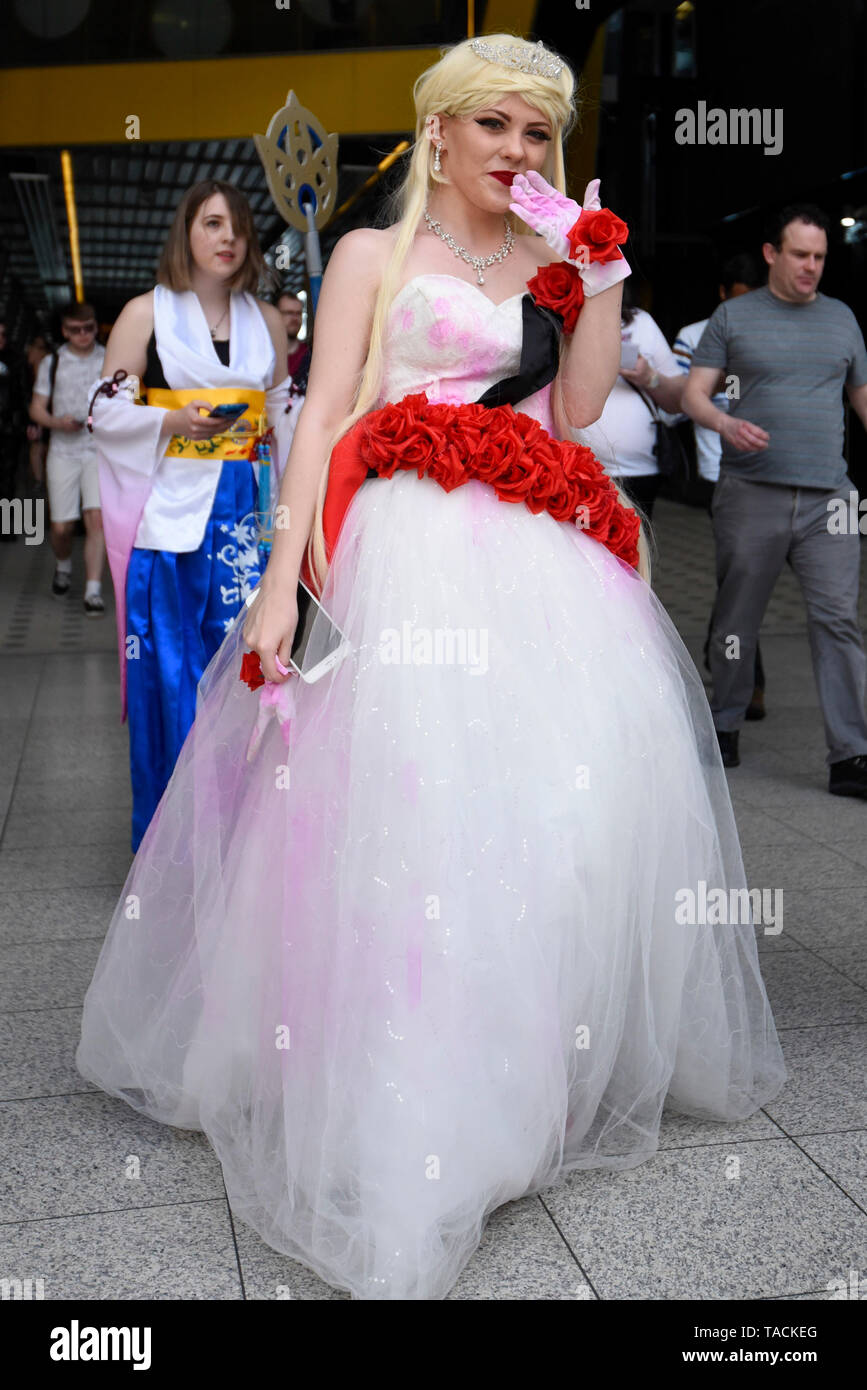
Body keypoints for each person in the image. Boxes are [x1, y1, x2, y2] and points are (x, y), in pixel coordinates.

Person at [78, 35, 785, 1301]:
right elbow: (323, 420)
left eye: (539, 134)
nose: (519, 152)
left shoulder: (556, 258)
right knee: (413, 819)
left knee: (559, 821)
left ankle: (519, 1074)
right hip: (402, 551)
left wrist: (603, 269)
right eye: (499, 127)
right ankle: (411, 1085)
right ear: (442, 132)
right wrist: (283, 583)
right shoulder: (372, 255)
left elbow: (572, 412)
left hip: (540, 560)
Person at [84, 181, 292, 850]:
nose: (226, 237)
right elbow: (103, 411)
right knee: (171, 680)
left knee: (249, 677)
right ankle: (172, 853)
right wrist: (169, 418)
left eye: (237, 226)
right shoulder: (145, 314)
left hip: (251, 517)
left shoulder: (266, 319)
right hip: (172, 520)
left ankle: (247, 851)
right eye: (211, 224)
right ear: (187, 233)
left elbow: (286, 413)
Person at [683, 204, 867, 789]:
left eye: (819, 257)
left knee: (839, 619)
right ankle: (727, 721)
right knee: (739, 617)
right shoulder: (733, 317)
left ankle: (850, 755)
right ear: (771, 254)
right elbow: (693, 396)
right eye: (800, 255)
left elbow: (863, 400)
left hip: (830, 498)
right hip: (750, 491)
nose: (812, 267)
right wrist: (725, 424)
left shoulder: (842, 319)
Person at [673, 253, 768, 719]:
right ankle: (747, 684)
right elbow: (676, 404)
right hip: (719, 476)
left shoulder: (773, 331)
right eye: (739, 301)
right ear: (722, 295)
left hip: (769, 474)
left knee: (745, 580)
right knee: (741, 578)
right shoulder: (693, 336)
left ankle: (733, 668)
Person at [578, 281, 686, 521]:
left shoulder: (641, 322)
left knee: (632, 550)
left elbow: (678, 400)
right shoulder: (558, 319)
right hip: (578, 470)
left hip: (638, 472)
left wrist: (650, 378)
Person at [29, 303, 106, 609]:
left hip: (98, 450)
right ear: (64, 331)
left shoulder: (110, 358)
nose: (83, 334)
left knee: (96, 519)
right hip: (62, 449)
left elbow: (131, 400)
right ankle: (63, 567)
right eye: (76, 329)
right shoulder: (52, 362)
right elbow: (36, 407)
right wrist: (56, 423)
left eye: (89, 328)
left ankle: (93, 589)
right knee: (62, 526)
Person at [24, 333, 50, 497]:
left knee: (43, 448)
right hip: (35, 414)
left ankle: (44, 482)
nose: (30, 352)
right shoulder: (27, 371)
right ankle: (40, 482)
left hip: (47, 415)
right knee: (36, 447)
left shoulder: (47, 369)